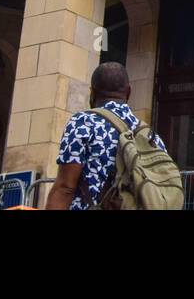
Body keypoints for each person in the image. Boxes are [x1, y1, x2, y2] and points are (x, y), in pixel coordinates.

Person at [45, 61, 167, 210]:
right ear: (128, 92)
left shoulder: (83, 123)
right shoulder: (151, 137)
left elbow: (65, 187)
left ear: (93, 92)